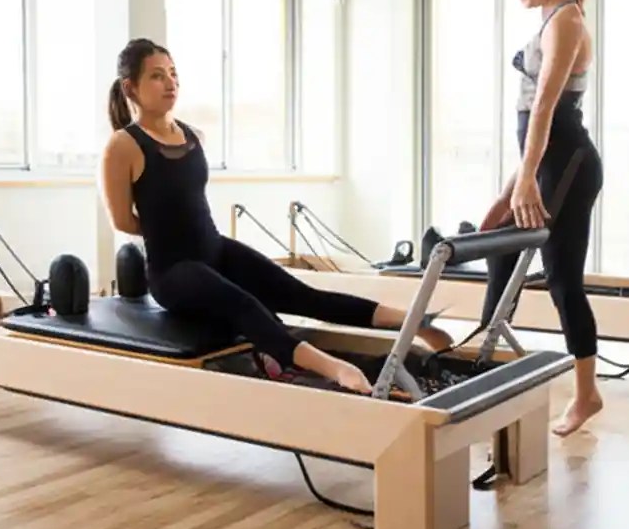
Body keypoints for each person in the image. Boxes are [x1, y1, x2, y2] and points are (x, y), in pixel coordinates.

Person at [99, 38, 453, 395]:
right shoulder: (123, 145)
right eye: (158, 76)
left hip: (215, 250)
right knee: (246, 306)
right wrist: (167, 230)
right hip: (173, 271)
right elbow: (122, 221)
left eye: (173, 73)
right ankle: (336, 369)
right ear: (131, 88)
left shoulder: (193, 135)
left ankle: (414, 321)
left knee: (302, 295)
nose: (171, 83)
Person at [479, 0, 605, 437]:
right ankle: (483, 357)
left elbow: (547, 110)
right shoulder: (553, 19)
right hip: (549, 162)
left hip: (566, 165)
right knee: (492, 238)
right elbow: (536, 119)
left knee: (562, 280)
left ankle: (586, 394)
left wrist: (527, 180)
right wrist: (512, 186)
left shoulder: (566, 20)